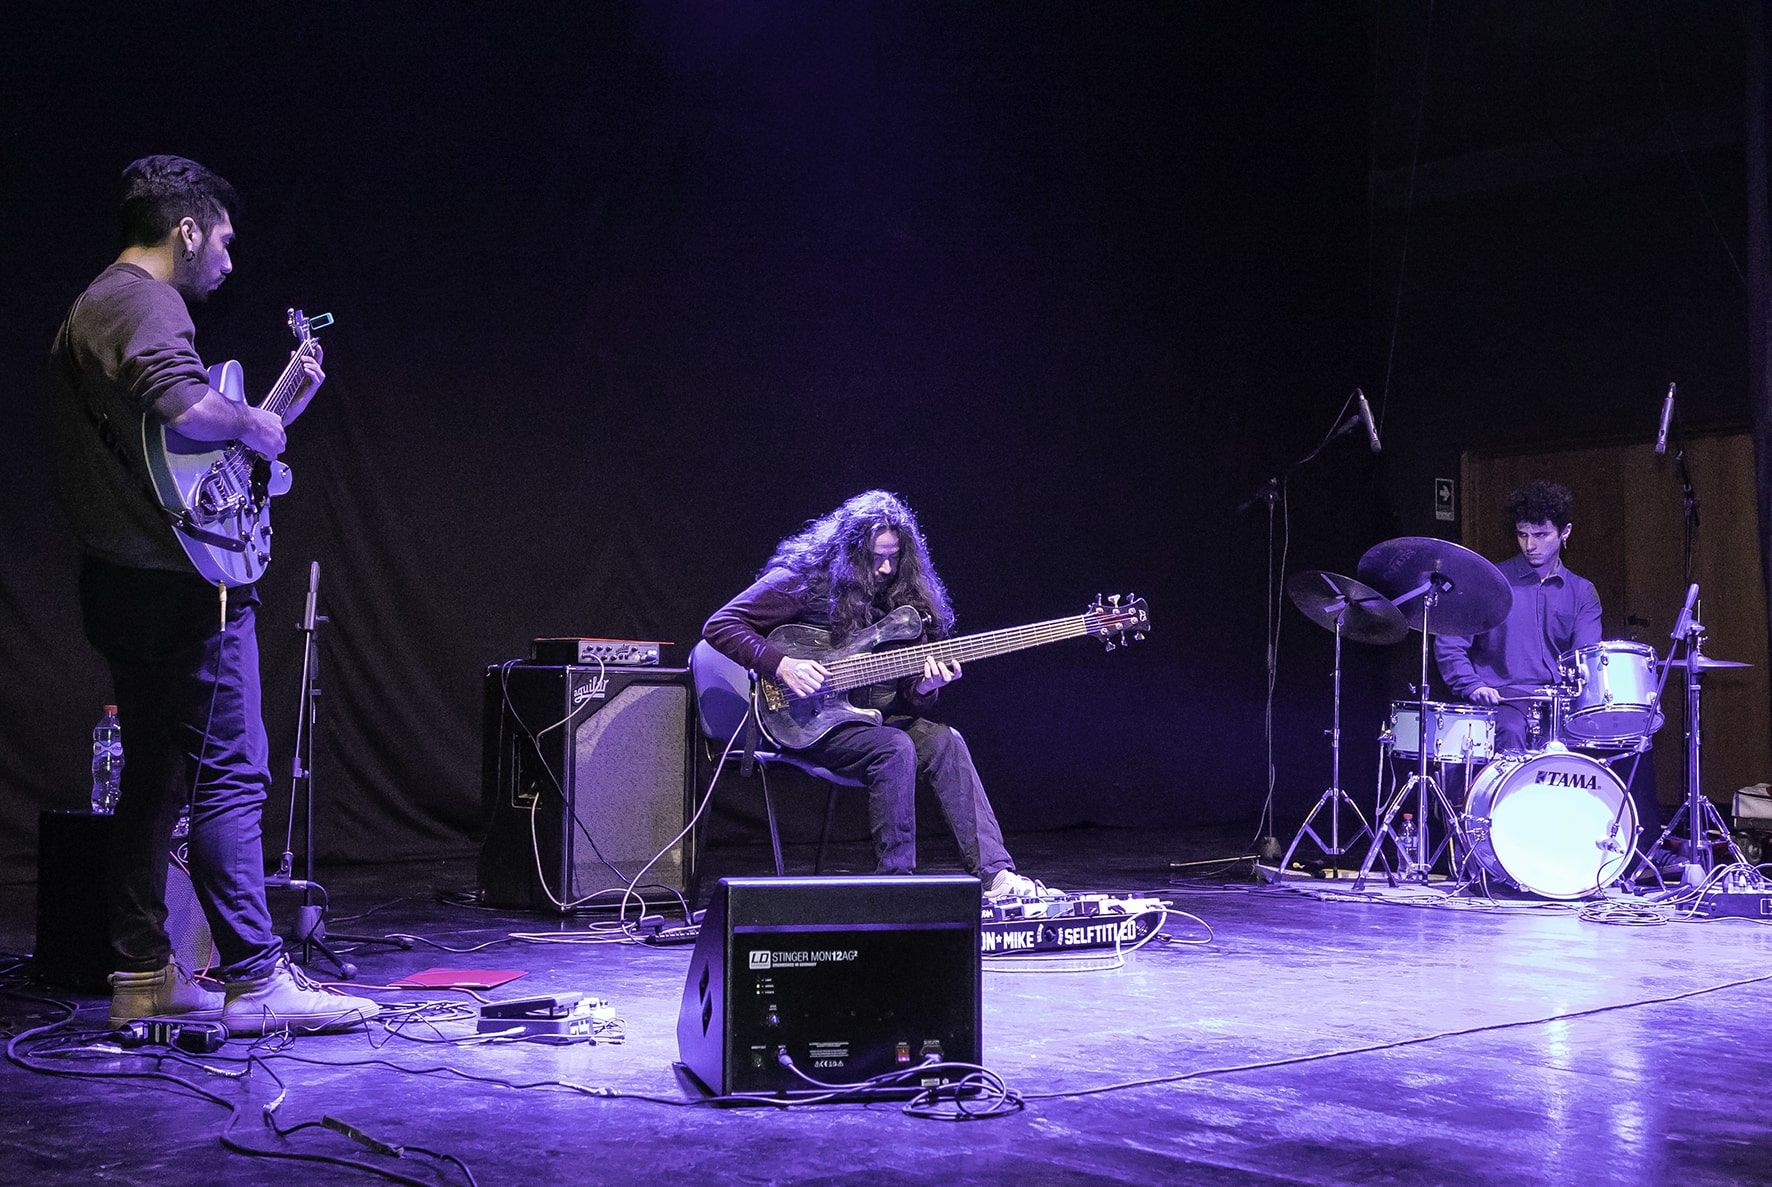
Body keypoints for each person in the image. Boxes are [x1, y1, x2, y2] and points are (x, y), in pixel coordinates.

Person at [51, 155, 378, 1034]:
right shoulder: (142, 300)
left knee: (154, 779)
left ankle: (143, 972)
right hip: (181, 586)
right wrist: (255, 421)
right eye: (223, 241)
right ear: (186, 230)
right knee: (233, 772)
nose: (229, 262)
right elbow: (189, 409)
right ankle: (255, 977)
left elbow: (171, 458)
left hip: (123, 578)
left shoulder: (96, 305)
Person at [702, 490, 1057, 899]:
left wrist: (924, 687)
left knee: (945, 741)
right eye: (874, 558)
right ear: (848, 551)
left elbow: (906, 695)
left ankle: (996, 876)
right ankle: (894, 886)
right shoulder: (805, 579)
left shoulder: (904, 598)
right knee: (894, 747)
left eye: (893, 557)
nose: (885, 567)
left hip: (865, 719)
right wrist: (782, 665)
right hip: (803, 722)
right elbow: (721, 624)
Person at [1435, 480, 1601, 754]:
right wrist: (1472, 684)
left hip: (1556, 703)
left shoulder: (1582, 592)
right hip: (1502, 701)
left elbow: (1584, 660)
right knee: (1511, 729)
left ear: (1565, 532)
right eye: (1522, 535)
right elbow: (1450, 642)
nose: (1530, 545)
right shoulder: (1490, 581)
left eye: (1540, 535)